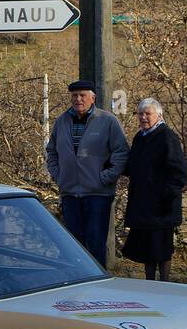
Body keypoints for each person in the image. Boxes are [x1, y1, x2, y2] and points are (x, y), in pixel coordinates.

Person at [44, 79, 129, 267]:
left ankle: (98, 284)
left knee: (96, 244)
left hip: (98, 194)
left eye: (82, 95)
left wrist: (105, 177)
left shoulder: (107, 121)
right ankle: (79, 284)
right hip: (70, 193)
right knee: (74, 245)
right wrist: (59, 175)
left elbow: (121, 152)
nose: (78, 99)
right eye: (74, 95)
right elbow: (52, 151)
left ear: (93, 98)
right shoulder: (62, 121)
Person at [122, 98, 187, 281]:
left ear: (159, 115)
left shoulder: (167, 137)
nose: (143, 117)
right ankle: (150, 283)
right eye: (140, 114)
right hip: (144, 205)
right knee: (147, 249)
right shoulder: (140, 137)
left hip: (161, 207)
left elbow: (179, 172)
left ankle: (164, 284)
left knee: (162, 249)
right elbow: (132, 166)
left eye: (147, 114)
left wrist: (167, 197)